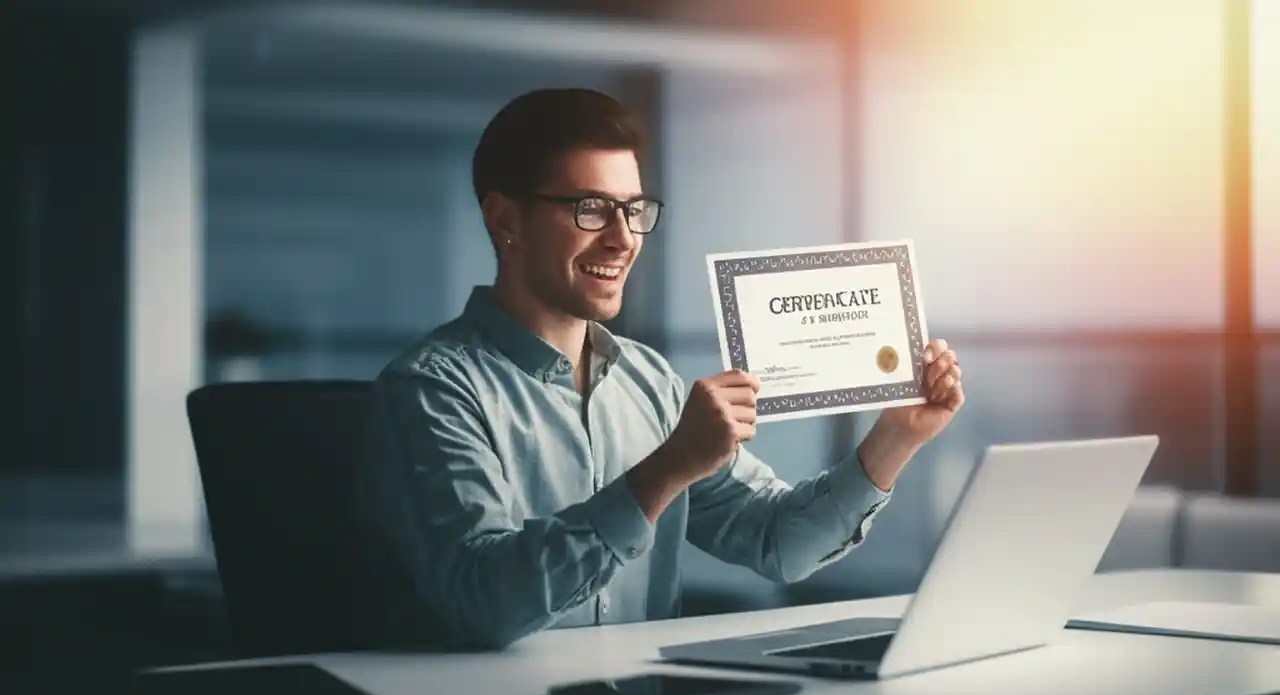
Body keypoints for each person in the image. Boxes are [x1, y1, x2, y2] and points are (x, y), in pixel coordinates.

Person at [358, 88, 965, 649]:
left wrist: (896, 437)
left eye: (634, 209)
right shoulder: (432, 389)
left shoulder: (648, 382)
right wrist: (668, 468)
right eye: (591, 209)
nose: (623, 239)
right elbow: (482, 598)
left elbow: (778, 542)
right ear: (504, 220)